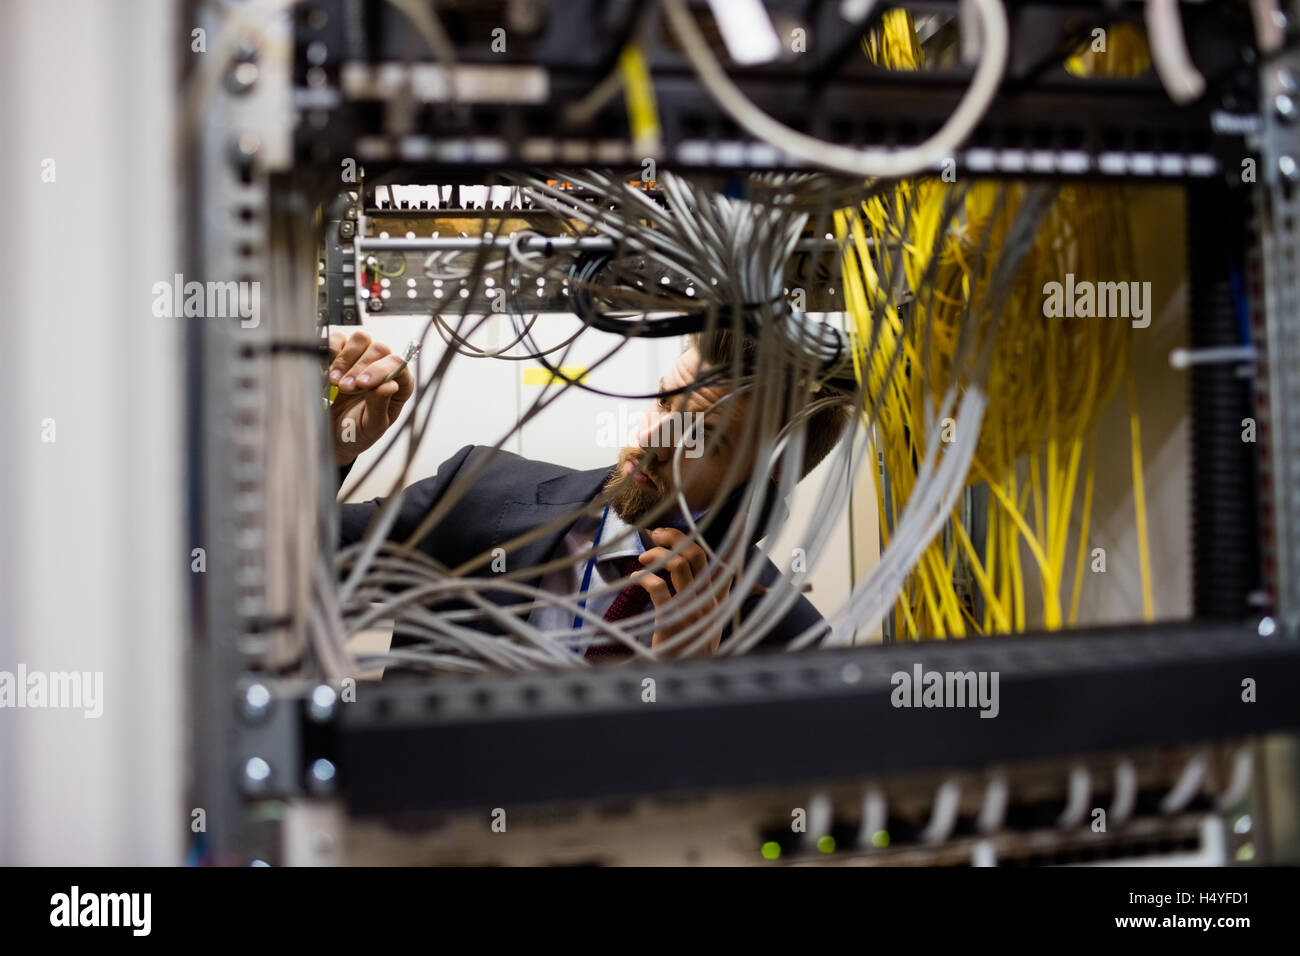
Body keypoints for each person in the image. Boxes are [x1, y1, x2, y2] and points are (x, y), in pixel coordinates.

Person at [328, 327, 852, 659]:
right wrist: (328, 452)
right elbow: (289, 567)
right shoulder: (476, 493)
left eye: (703, 436)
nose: (651, 441)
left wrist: (682, 710)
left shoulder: (790, 643)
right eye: (665, 403)